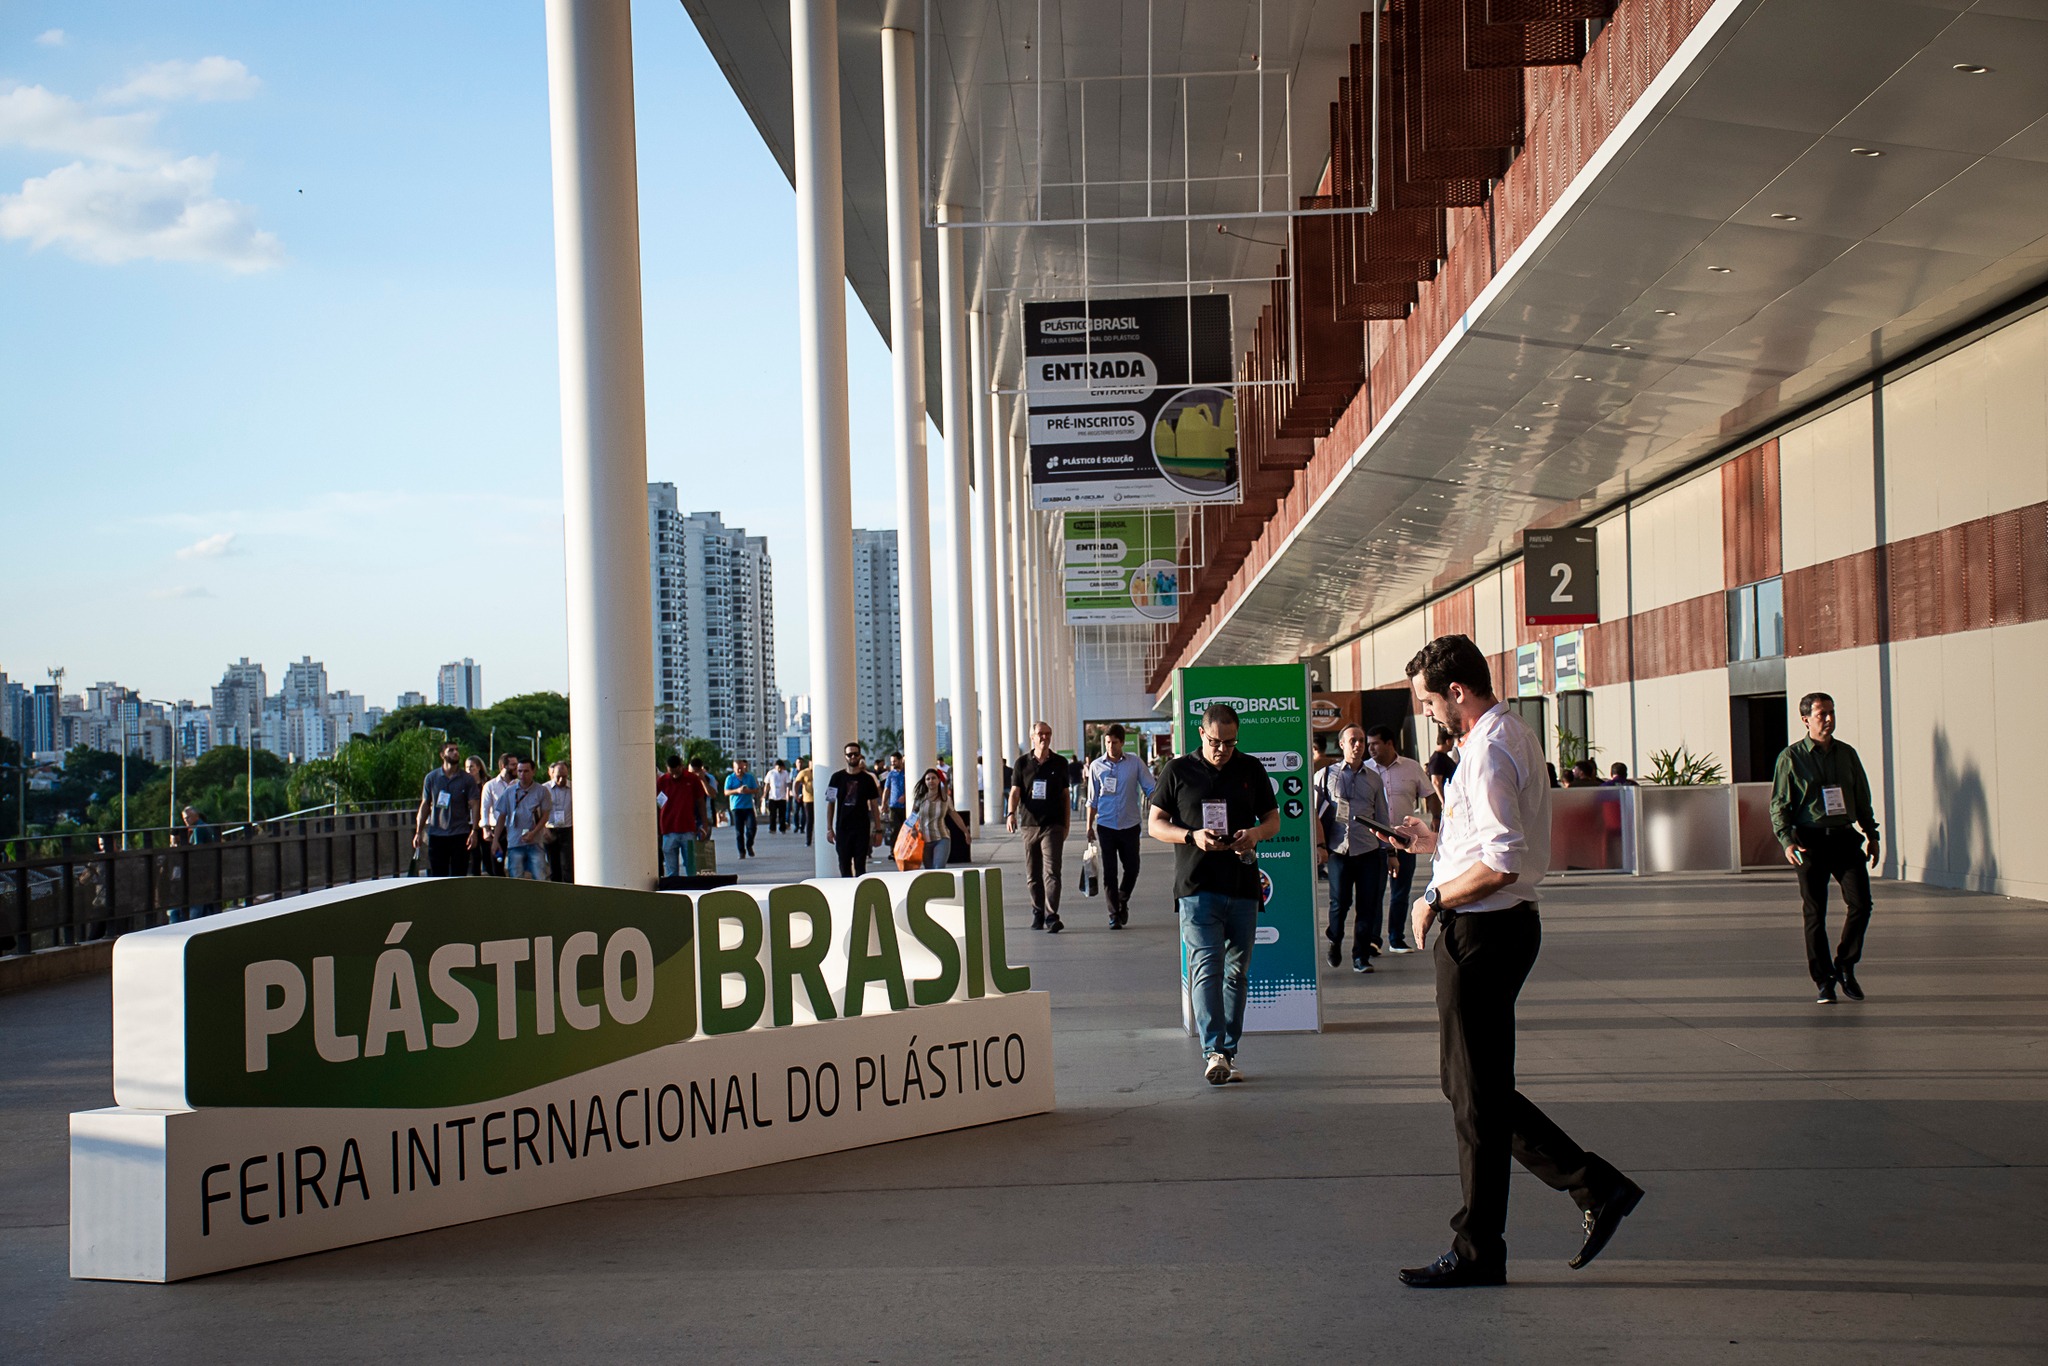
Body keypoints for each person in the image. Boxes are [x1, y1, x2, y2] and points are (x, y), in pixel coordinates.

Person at [1388, 634, 1642, 1288]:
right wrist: (1435, 843)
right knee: (1472, 1088)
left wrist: (1432, 897)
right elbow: (1489, 840)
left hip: (1482, 931)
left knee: (1474, 1096)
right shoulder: (1501, 739)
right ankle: (1591, 1186)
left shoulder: (1489, 750)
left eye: (1429, 702)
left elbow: (1502, 864)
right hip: (1495, 928)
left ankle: (1485, 1246)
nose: (1429, 714)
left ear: (1457, 692)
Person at [1147, 702, 1280, 1084]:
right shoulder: (1178, 771)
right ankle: (1214, 1052)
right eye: (1216, 742)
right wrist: (1191, 836)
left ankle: (1229, 1050)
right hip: (1197, 886)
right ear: (1201, 734)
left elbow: (1273, 819)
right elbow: (1155, 824)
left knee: (1237, 973)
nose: (1222, 749)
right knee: (1207, 968)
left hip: (1242, 885)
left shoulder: (1250, 768)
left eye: (1230, 742)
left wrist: (1254, 834)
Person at [1771, 692, 1881, 1005]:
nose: (1829, 719)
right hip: (1810, 842)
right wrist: (1787, 840)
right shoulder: (1791, 758)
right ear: (1805, 720)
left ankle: (1845, 965)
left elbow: (1861, 797)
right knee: (1815, 912)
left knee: (1861, 904)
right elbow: (1779, 803)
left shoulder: (1847, 754)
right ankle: (1824, 981)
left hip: (1845, 838)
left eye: (1832, 712)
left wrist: (1871, 834)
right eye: (1822, 714)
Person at [1314, 724, 1390, 972]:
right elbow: (1314, 815)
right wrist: (1319, 846)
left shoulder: (1374, 779)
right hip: (1339, 850)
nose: (1358, 745)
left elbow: (1382, 817)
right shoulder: (1325, 775)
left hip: (1368, 851)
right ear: (1342, 744)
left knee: (1367, 905)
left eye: (1361, 741)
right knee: (1340, 902)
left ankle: (1361, 956)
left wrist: (1390, 852)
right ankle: (1335, 939)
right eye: (1353, 741)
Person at [1084, 723, 1156, 929]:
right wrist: (1089, 826)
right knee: (1110, 872)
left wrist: (1159, 805)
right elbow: (1092, 799)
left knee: (1132, 868)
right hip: (1106, 825)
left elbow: (1150, 788)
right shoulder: (1097, 766)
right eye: (1107, 742)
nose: (1110, 746)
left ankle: (1122, 898)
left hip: (1129, 824)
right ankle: (1114, 914)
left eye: (1114, 742)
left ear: (1122, 743)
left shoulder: (1135, 763)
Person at [1366, 725, 1429, 954]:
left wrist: (1436, 819)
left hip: (1405, 841)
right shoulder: (1365, 770)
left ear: (1390, 743)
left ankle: (1396, 939)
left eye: (1375, 744)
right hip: (1375, 841)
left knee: (1400, 892)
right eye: (1369, 744)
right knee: (1374, 892)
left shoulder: (1411, 767)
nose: (1370, 749)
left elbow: (1429, 793)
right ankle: (1373, 940)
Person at [1008, 721, 1072, 933]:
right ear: (1032, 737)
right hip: (1029, 825)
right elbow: (1015, 792)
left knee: (1052, 872)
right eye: (1040, 734)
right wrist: (1011, 814)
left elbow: (1065, 796)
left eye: (1048, 733)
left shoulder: (1060, 763)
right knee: (1033, 874)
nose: (1044, 737)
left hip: (1052, 825)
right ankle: (1037, 911)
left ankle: (1051, 915)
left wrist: (1066, 824)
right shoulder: (1022, 763)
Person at [414, 741, 481, 878]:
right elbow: (425, 804)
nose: (455, 753)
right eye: (451, 750)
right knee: (438, 876)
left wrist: (474, 831)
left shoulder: (467, 779)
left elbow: (475, 805)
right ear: (442, 755)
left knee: (459, 875)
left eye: (456, 750)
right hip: (437, 833)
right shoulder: (432, 778)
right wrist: (418, 832)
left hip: (460, 833)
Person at [826, 742, 884, 876]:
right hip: (843, 829)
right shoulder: (836, 778)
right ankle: (847, 888)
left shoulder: (868, 779)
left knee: (860, 866)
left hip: (861, 828)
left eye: (855, 754)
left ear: (860, 756)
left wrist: (878, 829)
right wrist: (829, 828)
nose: (853, 757)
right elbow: (830, 803)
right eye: (849, 754)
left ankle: (859, 888)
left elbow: (874, 805)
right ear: (845, 756)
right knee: (844, 865)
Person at [492, 757, 553, 881]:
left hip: (535, 841)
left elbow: (545, 815)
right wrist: (495, 840)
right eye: (519, 771)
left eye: (526, 771)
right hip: (514, 841)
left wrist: (534, 832)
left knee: (539, 876)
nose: (522, 774)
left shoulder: (541, 791)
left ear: (533, 771)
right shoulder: (509, 791)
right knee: (516, 877)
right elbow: (501, 817)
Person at [656, 753, 706, 879]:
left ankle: (692, 887)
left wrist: (704, 824)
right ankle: (674, 888)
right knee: (671, 869)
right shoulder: (662, 781)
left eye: (676, 771)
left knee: (691, 866)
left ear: (681, 766)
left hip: (688, 828)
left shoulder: (692, 779)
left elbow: (701, 802)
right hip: (668, 829)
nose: (674, 775)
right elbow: (656, 805)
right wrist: (657, 830)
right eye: (671, 772)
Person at [478, 752, 519, 876]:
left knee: (517, 865)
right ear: (503, 766)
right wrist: (485, 829)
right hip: (497, 830)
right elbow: (484, 809)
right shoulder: (490, 786)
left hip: (516, 828)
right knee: (497, 866)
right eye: (513, 765)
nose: (516, 768)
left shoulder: (520, 784)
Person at [910, 767, 956, 869]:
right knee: (929, 870)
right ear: (925, 782)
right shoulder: (920, 798)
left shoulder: (945, 799)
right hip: (924, 840)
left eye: (934, 778)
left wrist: (966, 832)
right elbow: (913, 815)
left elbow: (955, 815)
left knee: (939, 868)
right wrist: (913, 829)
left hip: (942, 837)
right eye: (928, 779)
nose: (931, 781)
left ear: (939, 780)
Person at [544, 760, 574, 883]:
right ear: (552, 774)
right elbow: (536, 811)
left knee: (567, 865)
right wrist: (543, 829)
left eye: (564, 777)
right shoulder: (544, 789)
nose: (561, 780)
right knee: (553, 865)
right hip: (550, 829)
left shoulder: (574, 788)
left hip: (567, 829)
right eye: (558, 777)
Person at [726, 759, 760, 858]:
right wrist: (737, 790)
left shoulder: (749, 777)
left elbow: (756, 789)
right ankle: (741, 851)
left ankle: (749, 845)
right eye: (738, 769)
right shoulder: (730, 778)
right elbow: (726, 792)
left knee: (752, 827)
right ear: (734, 768)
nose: (740, 770)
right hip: (736, 807)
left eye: (741, 768)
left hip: (748, 806)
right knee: (739, 831)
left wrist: (748, 791)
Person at [464, 755, 492, 874]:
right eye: (467, 767)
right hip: (469, 822)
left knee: (487, 852)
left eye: (471, 767)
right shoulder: (464, 785)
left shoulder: (487, 784)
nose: (469, 770)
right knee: (474, 854)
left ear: (479, 767)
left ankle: (492, 876)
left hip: (485, 822)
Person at [1427, 730, 1458, 827]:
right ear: (1448, 741)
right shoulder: (1437, 759)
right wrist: (1443, 801)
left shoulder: (1443, 758)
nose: (1453, 744)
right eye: (1452, 741)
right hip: (1446, 804)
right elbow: (1436, 782)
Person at [882, 753, 908, 846]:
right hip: (894, 806)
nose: (893, 763)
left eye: (895, 761)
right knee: (894, 828)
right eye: (892, 762)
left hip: (906, 807)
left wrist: (905, 796)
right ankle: (893, 849)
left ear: (901, 760)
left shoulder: (907, 772)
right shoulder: (891, 774)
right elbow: (887, 789)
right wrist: (884, 803)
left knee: (905, 829)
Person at [765, 758, 793, 834]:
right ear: (775, 766)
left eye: (781, 767)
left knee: (782, 814)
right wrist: (765, 794)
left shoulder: (785, 773)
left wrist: (788, 793)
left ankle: (782, 828)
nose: (779, 769)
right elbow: (767, 784)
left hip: (782, 797)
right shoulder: (771, 773)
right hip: (772, 797)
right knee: (772, 814)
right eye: (778, 767)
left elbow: (788, 784)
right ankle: (772, 828)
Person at [796, 756, 815, 845]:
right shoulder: (804, 772)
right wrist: (796, 794)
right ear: (809, 763)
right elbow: (796, 783)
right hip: (808, 800)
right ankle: (808, 840)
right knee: (809, 820)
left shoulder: (820, 772)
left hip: (819, 800)